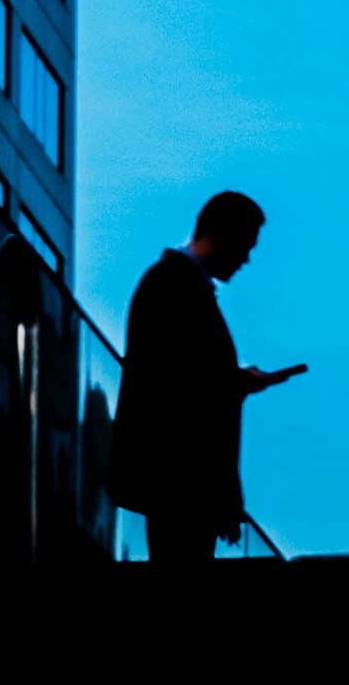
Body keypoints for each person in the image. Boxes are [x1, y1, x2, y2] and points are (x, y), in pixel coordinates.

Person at [106, 191, 304, 567]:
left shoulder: (170, 285)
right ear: (221, 236)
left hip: (174, 480)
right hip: (180, 480)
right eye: (245, 244)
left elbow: (184, 380)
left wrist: (236, 380)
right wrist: (236, 382)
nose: (246, 258)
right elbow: (190, 398)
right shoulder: (176, 288)